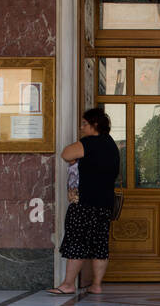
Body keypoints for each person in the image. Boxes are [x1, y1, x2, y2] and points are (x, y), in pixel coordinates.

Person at [50, 107, 119, 295]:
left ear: (94, 125)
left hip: (85, 203)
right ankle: (96, 285)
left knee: (76, 244)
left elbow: (66, 154)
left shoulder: (90, 143)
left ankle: (68, 284)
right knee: (99, 246)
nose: (81, 128)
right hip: (104, 203)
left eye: (84, 124)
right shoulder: (111, 144)